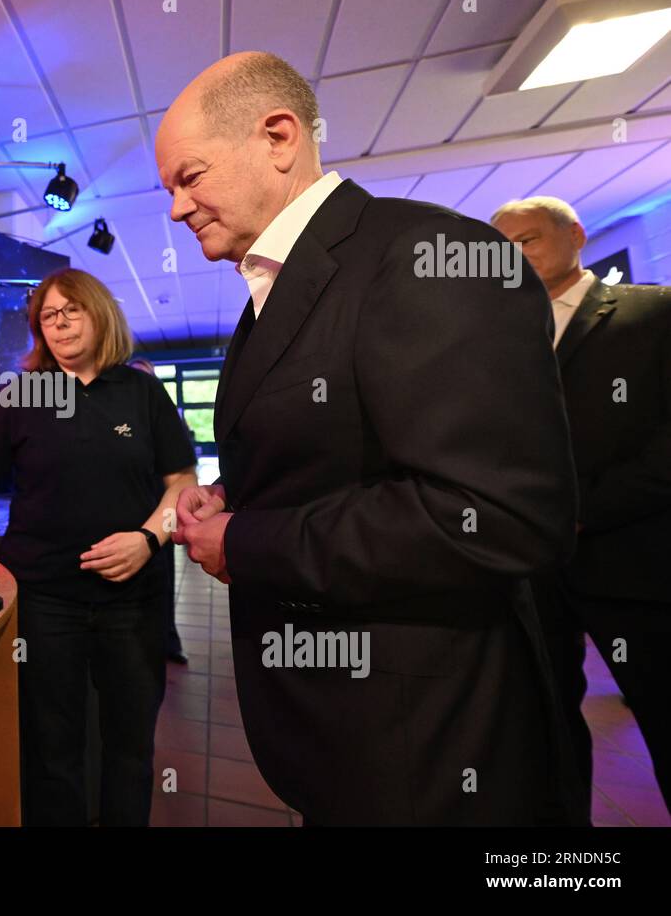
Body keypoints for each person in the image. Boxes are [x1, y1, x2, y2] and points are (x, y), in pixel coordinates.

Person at [156, 51, 582, 824]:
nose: (177, 209)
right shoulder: (270, 298)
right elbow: (334, 460)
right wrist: (236, 495)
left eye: (189, 177)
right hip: (342, 739)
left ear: (279, 137)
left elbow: (494, 516)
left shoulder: (433, 261)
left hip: (426, 749)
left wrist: (244, 541)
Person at [0, 268, 197, 826]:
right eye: (48, 316)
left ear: (99, 312)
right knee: (51, 747)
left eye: (70, 309)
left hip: (133, 603)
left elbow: (183, 483)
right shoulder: (22, 394)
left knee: (130, 748)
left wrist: (149, 538)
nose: (59, 323)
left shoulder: (141, 391)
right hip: (46, 600)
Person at [493, 195, 671, 818]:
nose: (512, 257)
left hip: (637, 569)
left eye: (527, 240)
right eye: (501, 247)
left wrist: (579, 511)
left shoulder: (655, 312)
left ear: (575, 235)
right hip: (533, 575)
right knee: (546, 737)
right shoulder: (496, 342)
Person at [127, 355, 188, 666]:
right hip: (135, 510)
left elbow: (182, 473)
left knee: (163, 578)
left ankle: (168, 640)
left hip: (162, 512)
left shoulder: (166, 416)